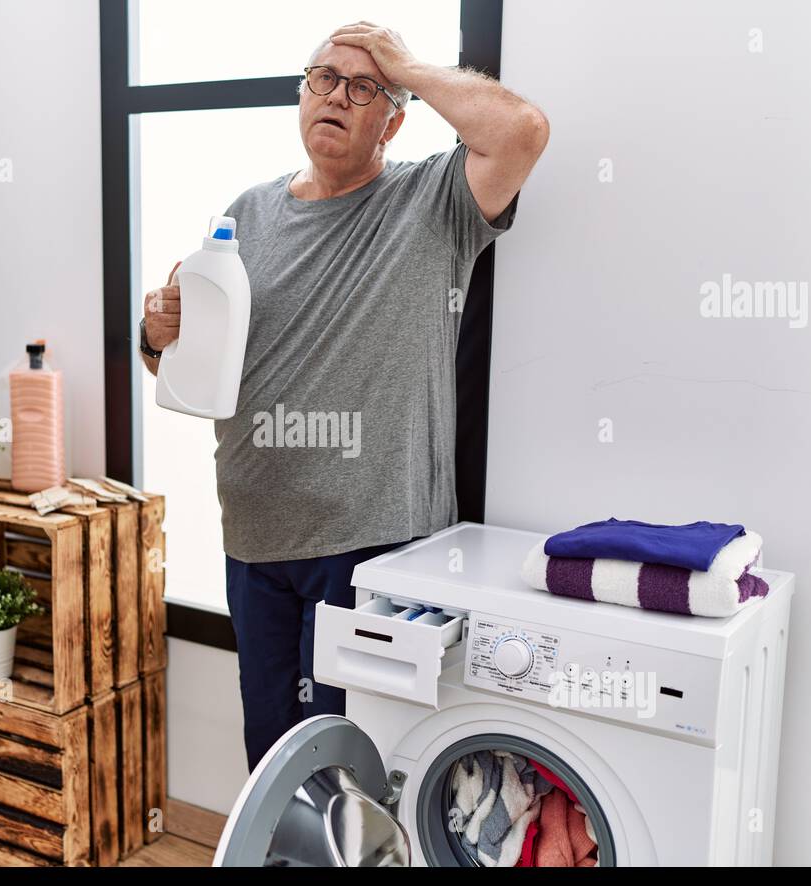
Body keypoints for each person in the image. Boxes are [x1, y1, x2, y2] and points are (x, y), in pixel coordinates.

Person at [140, 22, 549, 772]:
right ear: (301, 93)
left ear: (394, 119)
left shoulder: (432, 202)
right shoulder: (248, 215)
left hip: (371, 543)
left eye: (366, 89)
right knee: (272, 759)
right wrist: (159, 333)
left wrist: (406, 65)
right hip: (255, 540)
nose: (337, 97)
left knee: (351, 762)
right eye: (323, 78)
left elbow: (520, 131)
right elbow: (190, 367)